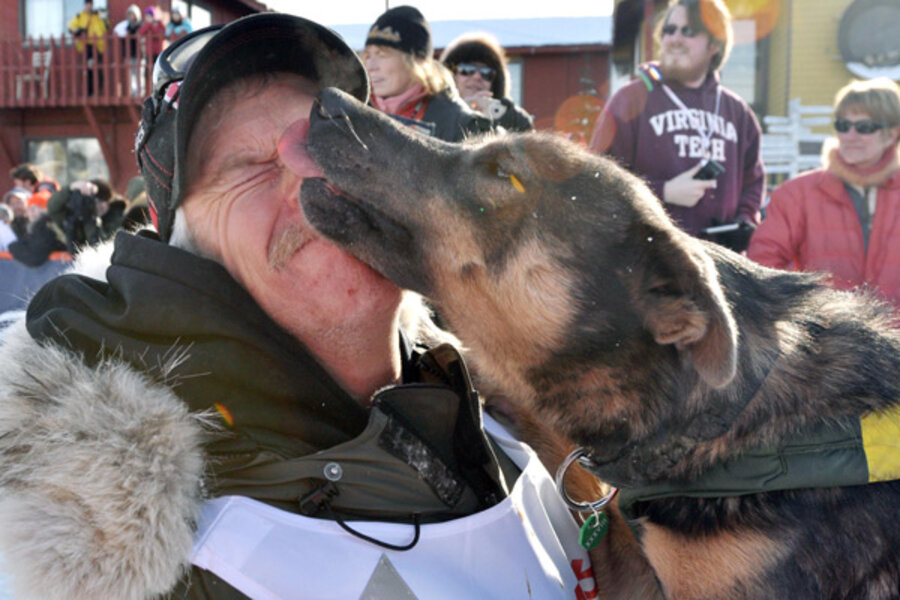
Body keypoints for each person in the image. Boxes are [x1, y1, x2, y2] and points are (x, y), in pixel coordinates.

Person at [0, 14, 596, 599]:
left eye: (330, 139)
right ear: (182, 252)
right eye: (250, 167)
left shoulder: (528, 420)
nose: (314, 174)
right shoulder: (168, 561)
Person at [590, 0, 764, 253]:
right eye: (670, 30)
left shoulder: (737, 112)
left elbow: (752, 182)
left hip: (722, 264)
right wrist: (664, 191)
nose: (675, 38)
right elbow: (599, 180)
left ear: (715, 44)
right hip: (650, 263)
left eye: (689, 31)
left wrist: (744, 223)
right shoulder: (631, 100)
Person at [748, 78, 900, 306]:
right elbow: (762, 268)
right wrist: (804, 318)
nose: (850, 135)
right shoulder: (796, 194)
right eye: (842, 125)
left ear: (891, 134)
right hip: (827, 337)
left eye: (864, 127)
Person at [363, 5, 493, 142]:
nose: (370, 66)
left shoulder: (461, 126)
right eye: (368, 56)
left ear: (416, 61)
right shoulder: (353, 113)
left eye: (382, 55)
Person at [440, 32, 534, 132]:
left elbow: (529, 141)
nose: (477, 77)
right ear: (451, 76)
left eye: (486, 73)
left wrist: (509, 120)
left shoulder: (508, 121)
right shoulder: (434, 115)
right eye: (467, 70)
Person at [67, 0, 109, 96]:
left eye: (90, 4)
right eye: (87, 4)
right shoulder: (80, 16)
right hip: (86, 46)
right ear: (85, 5)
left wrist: (104, 17)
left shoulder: (97, 16)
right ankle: (90, 92)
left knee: (98, 69)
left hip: (98, 46)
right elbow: (71, 28)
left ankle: (98, 91)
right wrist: (80, 30)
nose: (89, 6)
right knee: (89, 69)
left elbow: (106, 27)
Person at [114, 4, 143, 95]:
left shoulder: (141, 26)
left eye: (133, 14)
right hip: (129, 54)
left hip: (139, 54)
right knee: (131, 75)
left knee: (139, 73)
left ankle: (140, 92)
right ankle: (134, 93)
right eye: (130, 15)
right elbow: (118, 32)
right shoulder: (127, 27)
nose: (132, 17)